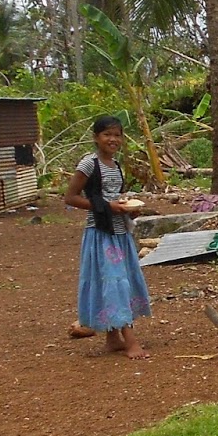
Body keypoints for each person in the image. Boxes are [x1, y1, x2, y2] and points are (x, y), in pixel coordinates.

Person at [64, 115, 152, 358]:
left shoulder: (116, 165)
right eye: (107, 135)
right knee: (116, 283)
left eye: (117, 135)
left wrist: (129, 209)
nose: (113, 139)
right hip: (101, 234)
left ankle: (113, 338)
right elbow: (70, 198)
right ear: (96, 137)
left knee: (118, 281)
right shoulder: (89, 164)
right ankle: (131, 342)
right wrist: (107, 207)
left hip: (120, 232)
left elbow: (115, 196)